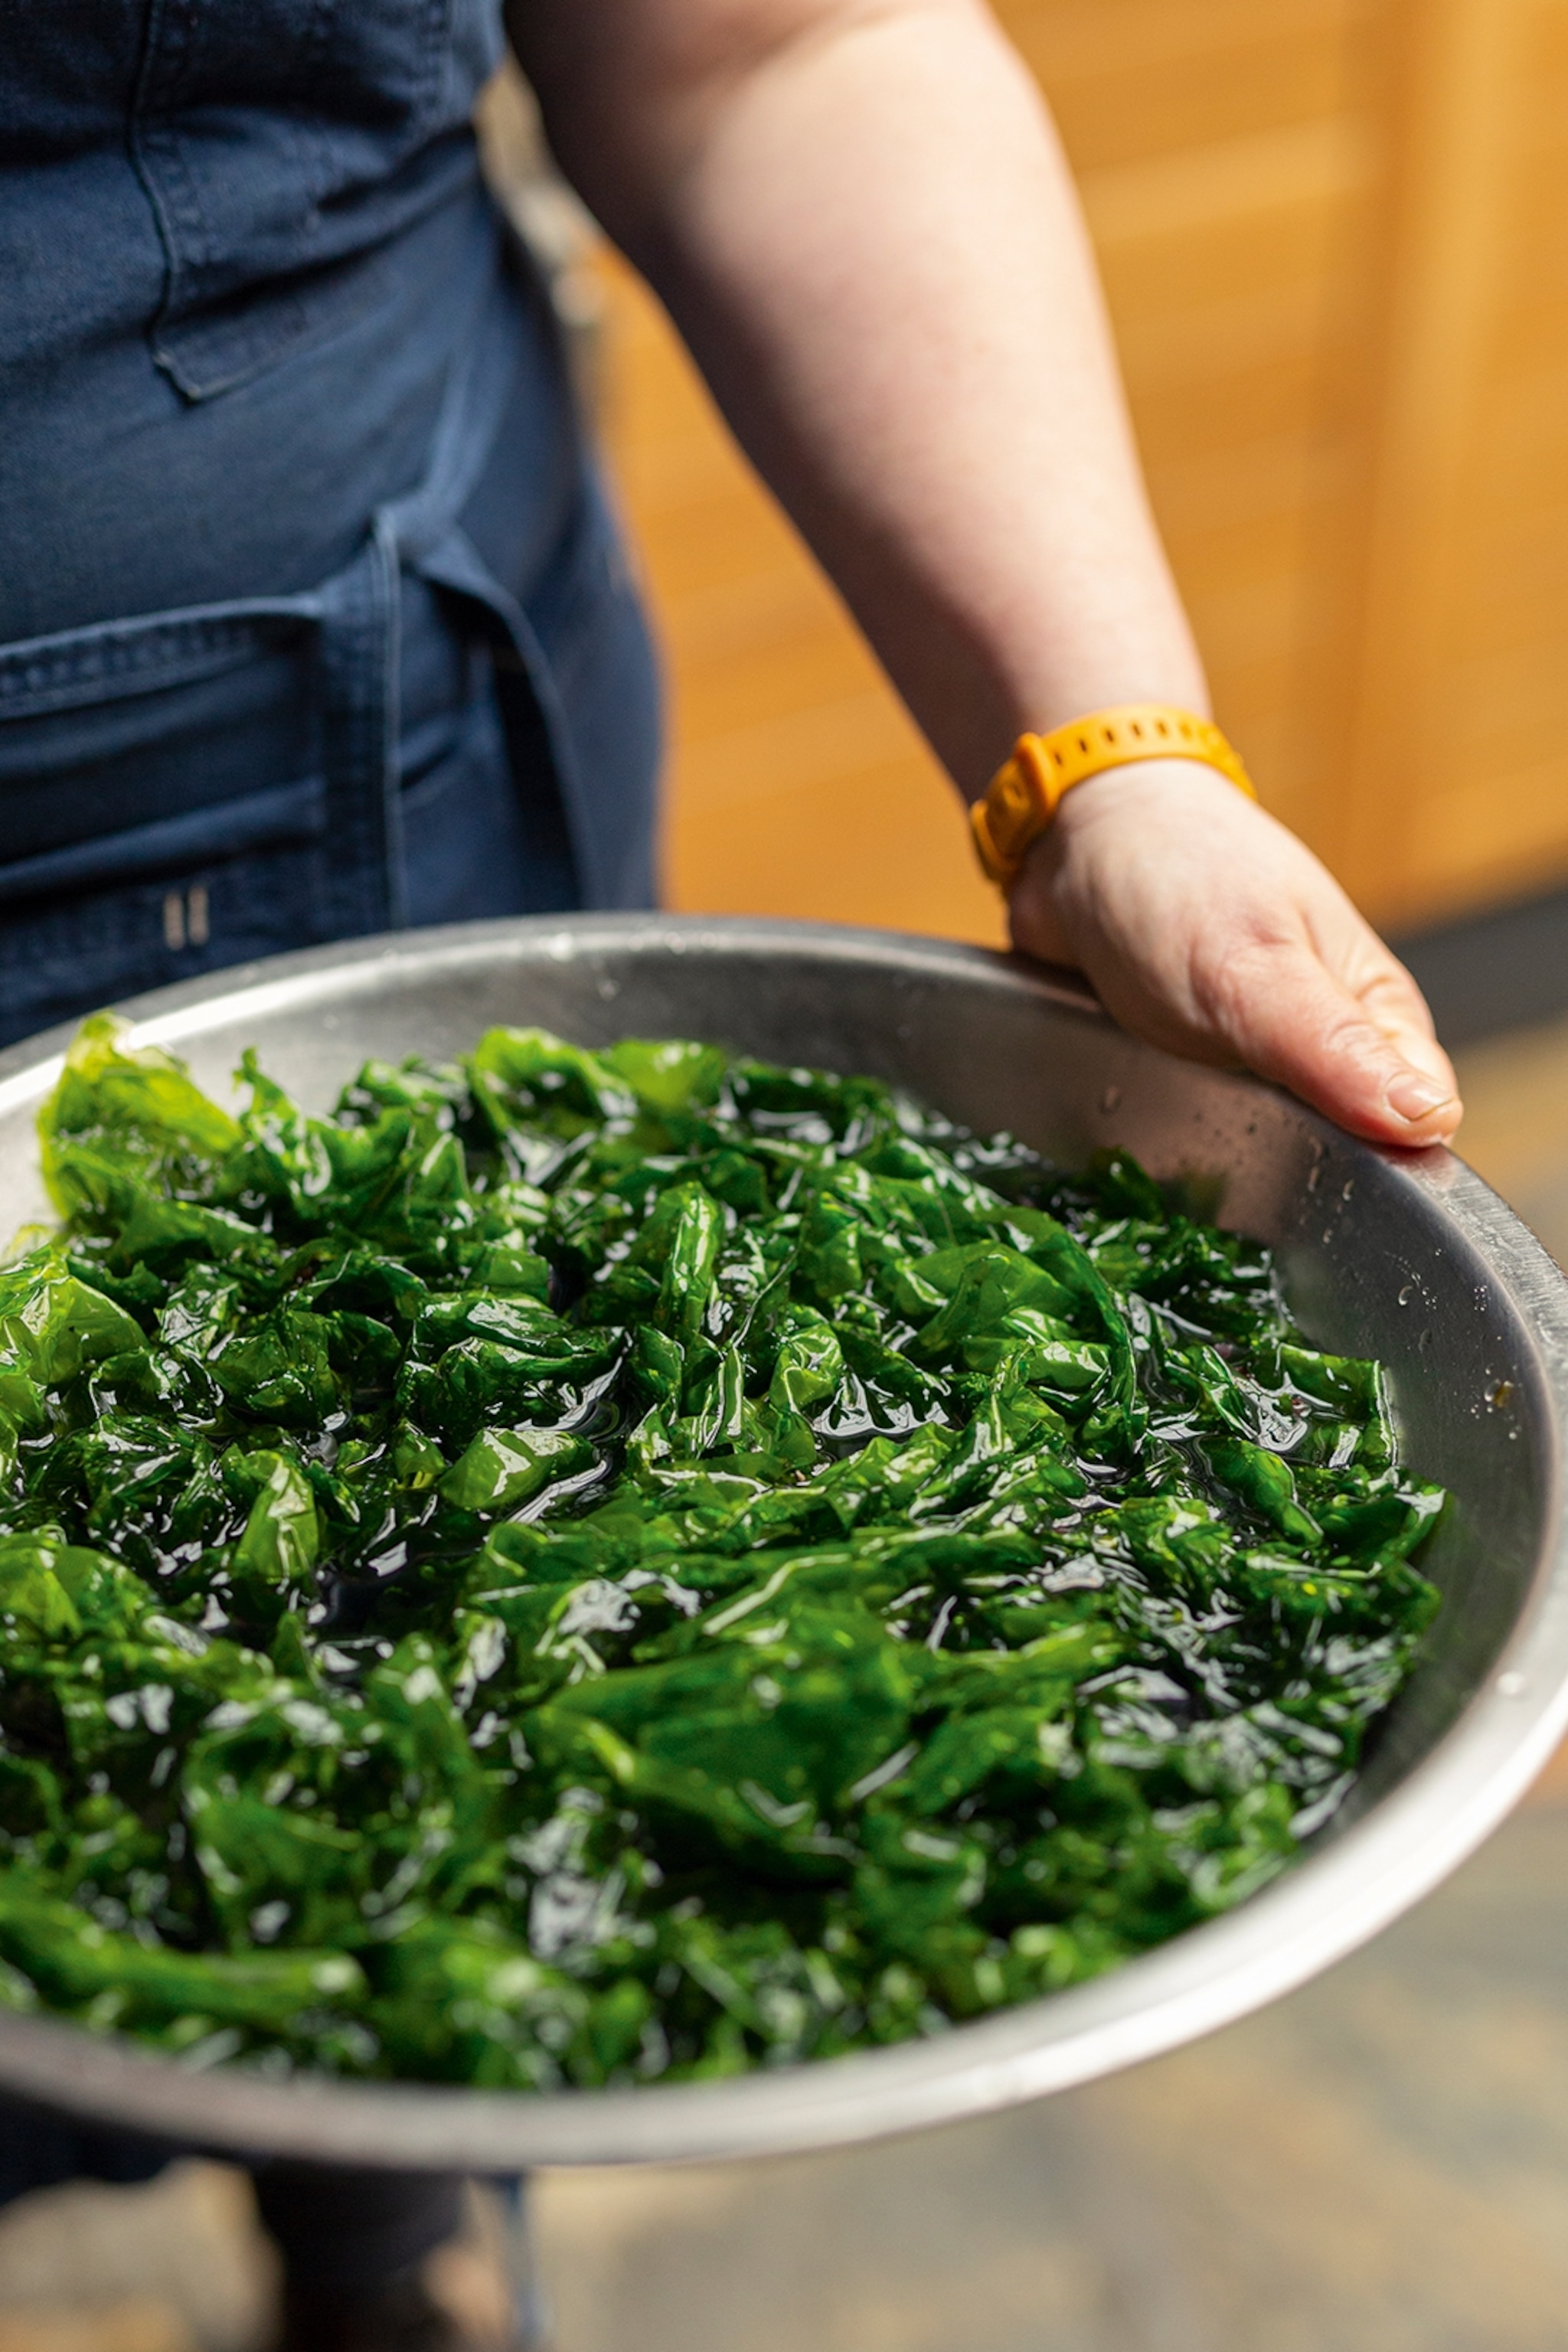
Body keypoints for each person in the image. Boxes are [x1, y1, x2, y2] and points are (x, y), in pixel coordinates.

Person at [0, 0, 1463, 2341]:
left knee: (444, 1864)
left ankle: (402, 2245)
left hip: (346, 758)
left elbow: (777, 46)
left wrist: (1111, 766)